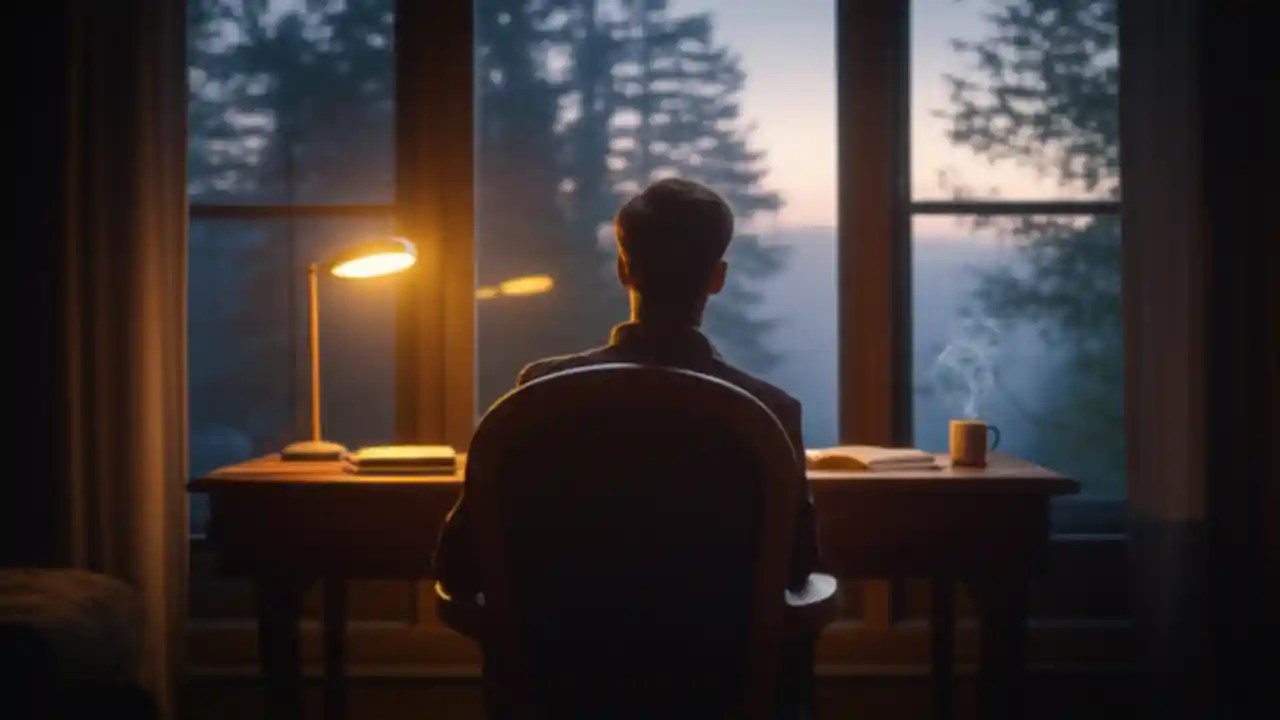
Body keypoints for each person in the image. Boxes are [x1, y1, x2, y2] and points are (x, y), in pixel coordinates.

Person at [434, 177, 824, 713]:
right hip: (711, 698)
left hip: (563, 696)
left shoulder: (539, 398)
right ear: (716, 279)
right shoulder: (769, 412)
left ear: (624, 268)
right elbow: (798, 569)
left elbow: (459, 564)